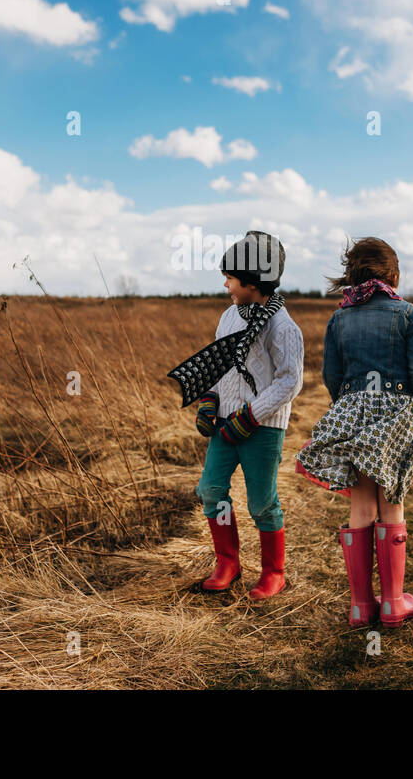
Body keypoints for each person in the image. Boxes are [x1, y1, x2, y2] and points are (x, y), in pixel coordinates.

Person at [295, 237, 413, 627]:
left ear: (351, 275)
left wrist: (346, 405)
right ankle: (392, 602)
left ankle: (360, 606)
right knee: (392, 498)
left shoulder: (340, 317)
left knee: (361, 506)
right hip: (395, 412)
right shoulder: (406, 313)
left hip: (353, 409)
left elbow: (331, 374)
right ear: (393, 274)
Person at [167, 231, 304, 600]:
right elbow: (218, 367)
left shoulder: (283, 327)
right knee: (211, 490)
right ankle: (228, 562)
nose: (225, 283)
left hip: (261, 429)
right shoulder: (229, 317)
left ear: (252, 280)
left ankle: (274, 572)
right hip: (224, 426)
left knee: (262, 502)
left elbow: (289, 382)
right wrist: (210, 401)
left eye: (230, 276)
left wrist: (251, 415)